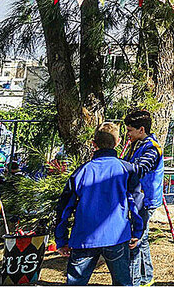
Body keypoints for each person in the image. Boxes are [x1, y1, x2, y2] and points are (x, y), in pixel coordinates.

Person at [54, 123, 145, 286]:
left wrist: (61, 240)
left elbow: (64, 208)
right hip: (116, 237)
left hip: (84, 238)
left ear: (93, 143)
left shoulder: (81, 171)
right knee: (123, 283)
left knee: (76, 283)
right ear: (117, 142)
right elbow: (137, 204)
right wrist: (138, 232)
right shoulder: (127, 170)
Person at [121, 109, 164, 286]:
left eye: (130, 130)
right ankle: (147, 278)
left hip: (145, 201)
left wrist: (114, 164)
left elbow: (140, 167)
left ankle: (134, 282)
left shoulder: (152, 148)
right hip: (139, 199)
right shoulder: (138, 144)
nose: (127, 134)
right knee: (143, 239)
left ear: (141, 129)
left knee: (135, 242)